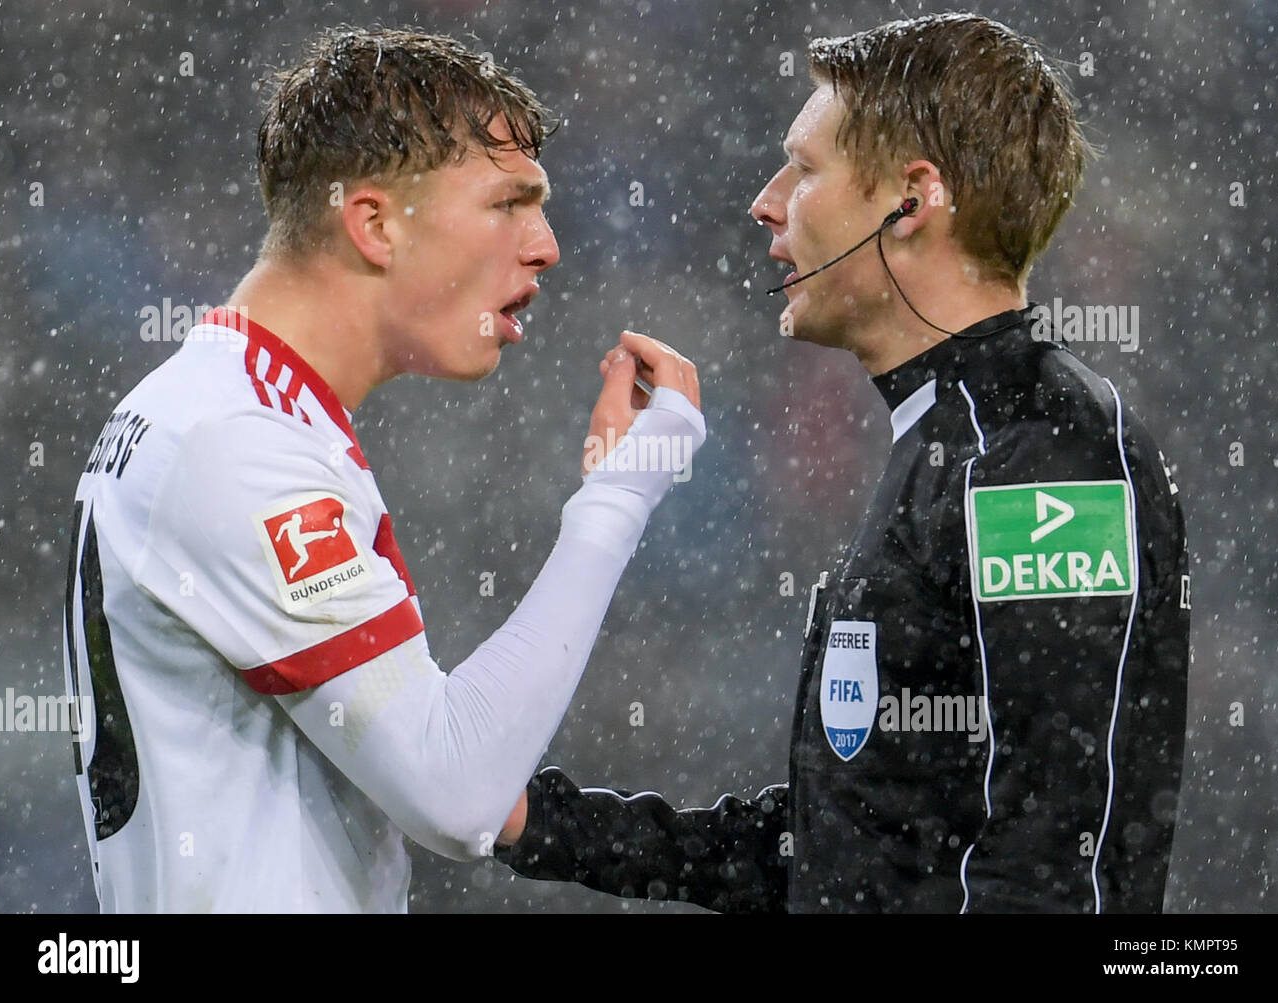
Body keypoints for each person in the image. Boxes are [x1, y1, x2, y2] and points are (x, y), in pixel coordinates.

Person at [496, 13, 1190, 913]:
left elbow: (1063, 864)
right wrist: (534, 821)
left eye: (806, 168)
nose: (768, 200)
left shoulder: (1045, 453)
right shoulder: (949, 434)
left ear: (913, 200)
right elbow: (848, 851)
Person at [60, 26, 705, 913]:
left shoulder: (223, 404)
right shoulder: (236, 441)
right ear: (372, 223)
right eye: (508, 204)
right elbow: (458, 791)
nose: (548, 244)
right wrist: (617, 497)